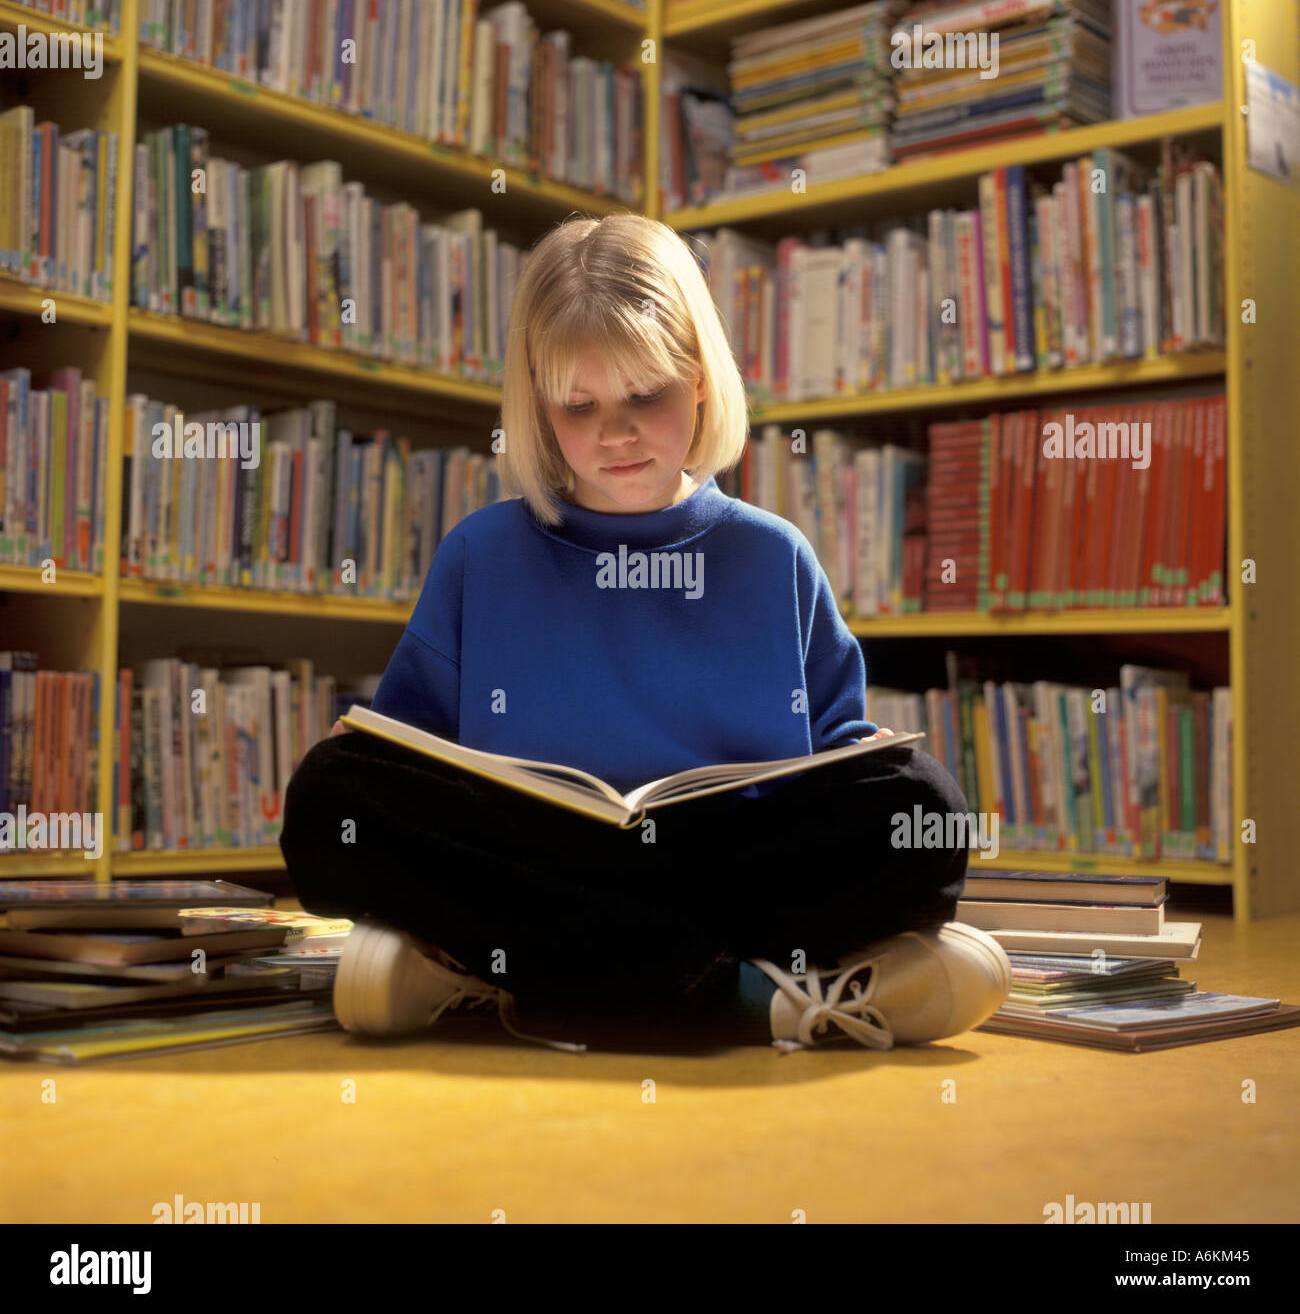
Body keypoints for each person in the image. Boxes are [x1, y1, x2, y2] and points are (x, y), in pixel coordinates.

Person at [280, 213, 1011, 1054]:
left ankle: (491, 978)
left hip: (711, 863)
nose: (613, 432)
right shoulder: (480, 554)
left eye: (644, 394)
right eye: (579, 404)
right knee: (333, 795)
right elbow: (408, 754)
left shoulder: (773, 557)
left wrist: (863, 754)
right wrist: (375, 752)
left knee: (921, 804)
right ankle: (754, 996)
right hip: (538, 858)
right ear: (538, 404)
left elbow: (838, 749)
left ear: (699, 380)